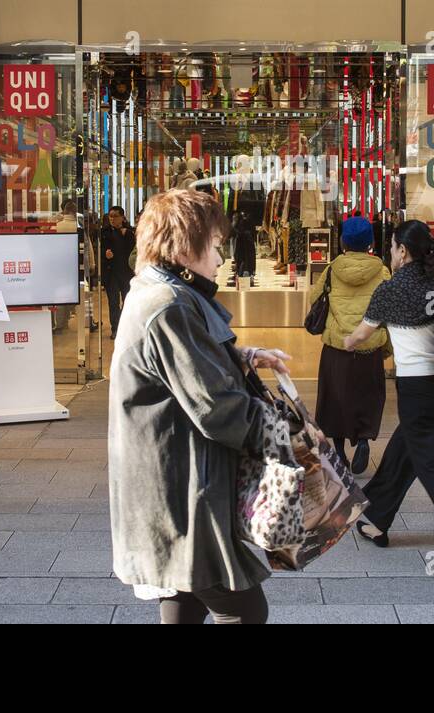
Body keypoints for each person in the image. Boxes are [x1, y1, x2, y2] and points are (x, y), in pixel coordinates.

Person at [109, 188, 291, 624]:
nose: (220, 257)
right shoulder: (168, 303)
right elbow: (214, 406)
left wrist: (240, 356)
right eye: (213, 245)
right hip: (181, 485)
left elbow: (183, 368)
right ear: (184, 246)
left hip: (170, 480)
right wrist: (282, 429)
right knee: (243, 608)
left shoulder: (161, 291)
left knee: (184, 592)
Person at [343, 220, 434, 580]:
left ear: (402, 251)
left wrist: (346, 342)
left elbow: (362, 334)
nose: (391, 253)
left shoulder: (390, 291)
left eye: (392, 247)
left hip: (415, 388)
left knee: (429, 466)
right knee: (403, 451)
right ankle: (375, 518)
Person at [309, 215, 390, 474]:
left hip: (338, 346)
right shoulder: (381, 269)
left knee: (335, 399)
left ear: (343, 240)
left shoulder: (333, 268)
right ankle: (364, 441)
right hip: (369, 346)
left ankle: (341, 452)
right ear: (370, 242)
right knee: (368, 395)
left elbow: (314, 297)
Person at [100, 205, 136, 339]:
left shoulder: (129, 232)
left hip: (126, 272)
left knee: (128, 300)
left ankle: (126, 327)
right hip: (111, 273)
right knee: (113, 302)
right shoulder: (104, 232)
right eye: (110, 216)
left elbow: (133, 252)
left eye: (115, 216)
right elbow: (101, 249)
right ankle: (115, 328)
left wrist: (124, 235)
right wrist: (105, 253)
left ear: (122, 217)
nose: (112, 219)